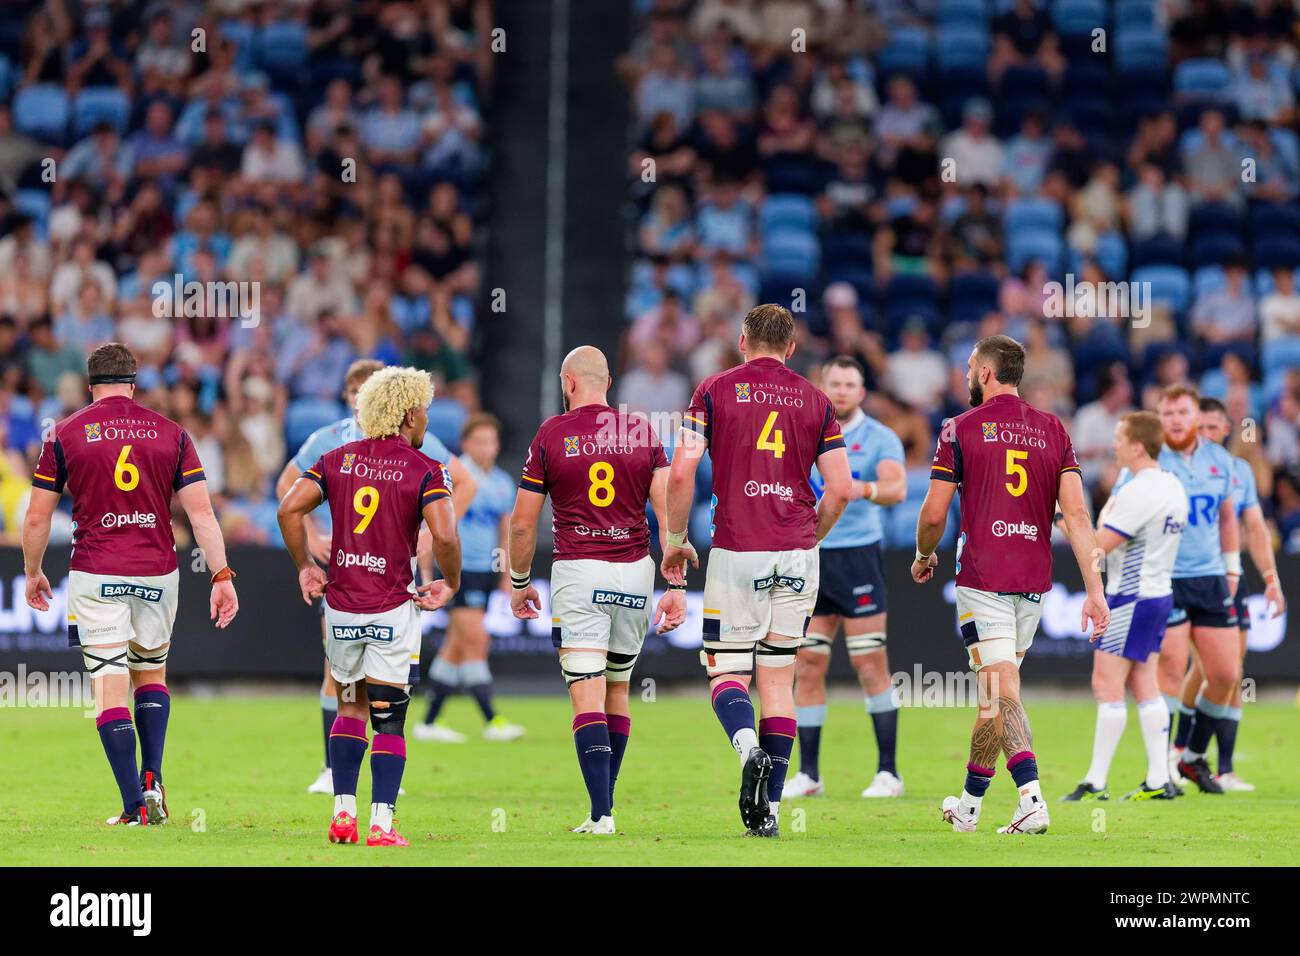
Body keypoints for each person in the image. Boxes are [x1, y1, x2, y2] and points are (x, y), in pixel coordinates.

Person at [22, 343, 239, 826]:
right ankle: (152, 776)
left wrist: (32, 571)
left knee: (109, 689)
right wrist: (221, 574)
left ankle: (134, 807)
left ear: (90, 384)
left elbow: (38, 518)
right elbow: (201, 512)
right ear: (134, 382)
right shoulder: (172, 433)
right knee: (152, 675)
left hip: (96, 571)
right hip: (157, 571)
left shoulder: (64, 433)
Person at [662, 304, 854, 838]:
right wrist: (810, 536)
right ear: (792, 348)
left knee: (727, 671)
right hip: (796, 551)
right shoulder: (816, 401)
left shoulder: (715, 390)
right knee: (778, 679)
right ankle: (768, 811)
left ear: (742, 340)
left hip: (737, 548)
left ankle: (748, 751)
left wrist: (676, 542)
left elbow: (681, 475)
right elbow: (841, 488)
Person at [914, 334, 1109, 836]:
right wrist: (1095, 589)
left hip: (984, 577)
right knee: (994, 697)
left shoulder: (959, 428)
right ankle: (969, 805)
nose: (964, 377)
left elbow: (935, 512)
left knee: (1001, 693)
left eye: (969, 368)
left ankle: (1031, 798)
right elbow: (1078, 515)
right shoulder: (1054, 430)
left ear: (985, 373)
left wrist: (923, 552)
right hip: (1033, 581)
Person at [277, 367, 461, 847]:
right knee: (390, 715)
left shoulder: (334, 458)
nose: (426, 419)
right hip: (391, 607)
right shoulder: (424, 469)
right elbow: (444, 534)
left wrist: (304, 565)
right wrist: (450, 582)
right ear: (407, 413)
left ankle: (342, 816)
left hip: (341, 605)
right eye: (423, 409)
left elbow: (287, 509)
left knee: (349, 705)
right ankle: (381, 824)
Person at [509, 346, 686, 835]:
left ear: (568, 382)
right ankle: (603, 808)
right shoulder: (639, 430)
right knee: (618, 688)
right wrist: (677, 581)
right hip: (634, 572)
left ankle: (602, 813)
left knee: (585, 693)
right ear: (607, 382)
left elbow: (524, 525)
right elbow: (671, 512)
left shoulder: (552, 434)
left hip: (579, 571)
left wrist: (521, 583)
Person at [784, 356, 908, 800]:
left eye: (849, 384)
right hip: (810, 556)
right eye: (833, 382)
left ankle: (889, 773)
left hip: (857, 558)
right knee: (809, 663)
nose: (840, 390)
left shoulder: (879, 437)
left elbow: (896, 488)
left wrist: (863, 488)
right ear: (822, 387)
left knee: (869, 662)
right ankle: (809, 773)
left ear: (861, 391)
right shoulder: (802, 429)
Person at [1062, 412, 1187, 802]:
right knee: (1143, 683)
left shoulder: (1140, 491)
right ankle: (1158, 777)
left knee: (1106, 684)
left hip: (1130, 596)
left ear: (1137, 445)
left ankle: (1096, 781)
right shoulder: (1170, 484)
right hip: (1155, 592)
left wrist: (1058, 516)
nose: (1113, 443)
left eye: (1119, 437)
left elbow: (1097, 548)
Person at [1179, 398, 1287, 791]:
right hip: (1185, 579)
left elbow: (1255, 529)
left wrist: (1271, 579)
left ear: (1224, 430)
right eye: (1200, 426)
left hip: (1228, 580)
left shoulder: (1235, 470)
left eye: (1212, 428)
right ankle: (1181, 751)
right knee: (1201, 669)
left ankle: (1218, 765)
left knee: (1229, 671)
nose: (1205, 434)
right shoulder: (1175, 463)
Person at [416, 413, 525, 743]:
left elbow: (505, 530)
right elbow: (434, 525)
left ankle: (430, 723)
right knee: (477, 640)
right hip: (456, 569)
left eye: (491, 441)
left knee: (456, 646)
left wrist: (508, 574)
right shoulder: (454, 477)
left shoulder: (503, 483)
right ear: (465, 444)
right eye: (479, 441)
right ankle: (492, 719)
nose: (486, 448)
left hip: (484, 571)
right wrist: (426, 568)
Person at [1154, 386, 1240, 795]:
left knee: (1225, 674)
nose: (1174, 419)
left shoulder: (1220, 460)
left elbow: (1227, 517)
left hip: (1209, 578)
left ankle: (1190, 758)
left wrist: (1232, 566)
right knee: (1170, 670)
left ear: (1195, 415)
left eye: (1181, 412)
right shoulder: (1150, 457)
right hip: (1165, 577)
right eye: (1167, 412)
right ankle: (1160, 770)